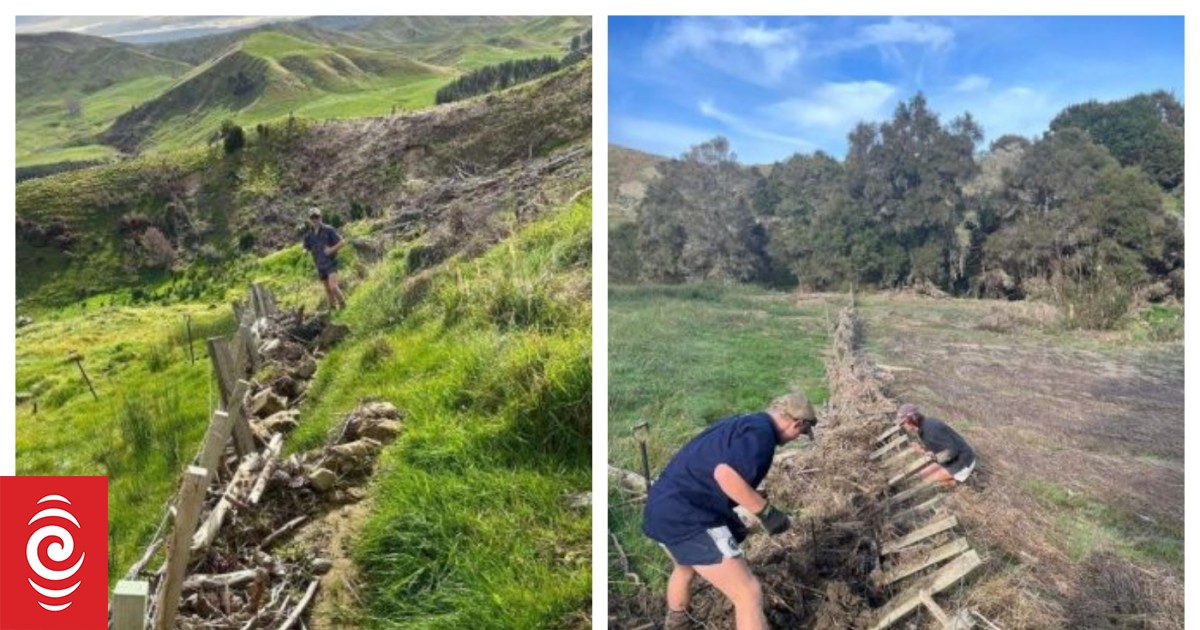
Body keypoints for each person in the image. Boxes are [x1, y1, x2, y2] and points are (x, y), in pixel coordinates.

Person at [643, 393, 819, 630]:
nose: (797, 438)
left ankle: (677, 623)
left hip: (661, 508)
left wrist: (745, 499)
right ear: (797, 423)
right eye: (802, 433)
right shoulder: (762, 436)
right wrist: (767, 513)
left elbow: (714, 469)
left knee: (685, 567)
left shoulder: (742, 423)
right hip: (688, 518)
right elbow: (725, 475)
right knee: (748, 593)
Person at [895, 403, 976, 486]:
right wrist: (923, 451)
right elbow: (938, 447)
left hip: (963, 462)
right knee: (923, 474)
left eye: (903, 423)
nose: (903, 426)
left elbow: (952, 451)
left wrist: (933, 457)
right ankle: (949, 478)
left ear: (912, 419)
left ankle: (956, 482)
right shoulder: (925, 427)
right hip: (954, 459)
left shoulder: (931, 431)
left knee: (929, 480)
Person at [302, 208, 347, 310]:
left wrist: (331, 250)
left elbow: (342, 242)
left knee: (333, 287)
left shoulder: (329, 229)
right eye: (312, 217)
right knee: (327, 290)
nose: (315, 219)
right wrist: (304, 251)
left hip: (331, 262)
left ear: (320, 217)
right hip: (319, 265)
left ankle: (343, 305)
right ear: (309, 219)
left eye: (316, 217)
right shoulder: (309, 235)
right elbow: (305, 246)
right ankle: (332, 308)